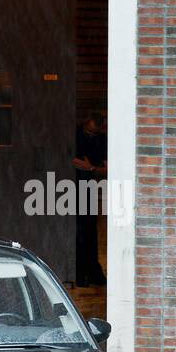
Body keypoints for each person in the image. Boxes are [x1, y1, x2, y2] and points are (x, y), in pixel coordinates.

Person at [73, 115, 107, 286]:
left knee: (88, 231)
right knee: (77, 231)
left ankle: (90, 273)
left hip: (89, 188)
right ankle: (79, 274)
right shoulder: (73, 134)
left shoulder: (102, 139)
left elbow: (108, 168)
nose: (92, 133)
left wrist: (91, 167)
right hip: (68, 187)